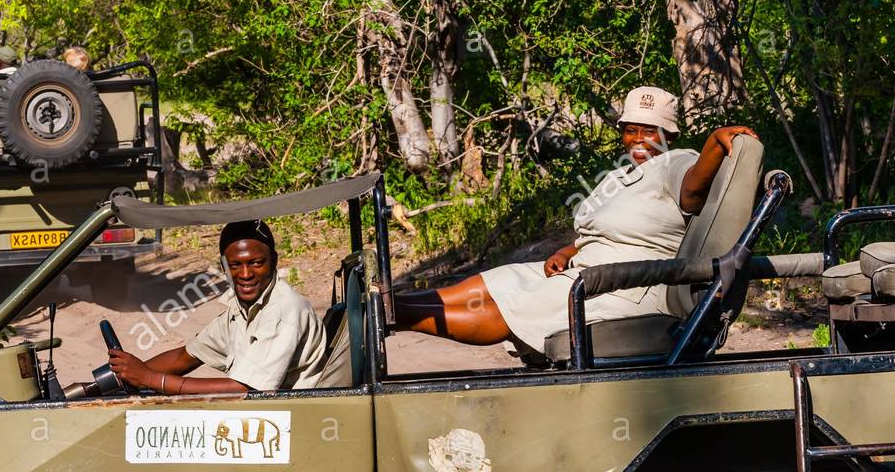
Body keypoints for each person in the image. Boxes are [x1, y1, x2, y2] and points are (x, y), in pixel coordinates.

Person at [394, 86, 757, 354]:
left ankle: (392, 317)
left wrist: (715, 142)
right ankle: (395, 303)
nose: (639, 139)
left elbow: (692, 191)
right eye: (631, 129)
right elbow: (605, 228)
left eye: (650, 131)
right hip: (583, 266)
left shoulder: (677, 163)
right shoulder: (623, 175)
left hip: (626, 286)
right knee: (501, 280)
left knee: (510, 306)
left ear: (670, 134)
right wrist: (569, 249)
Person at [108, 221, 327, 394]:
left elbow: (242, 390)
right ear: (223, 266)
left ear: (274, 261)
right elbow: (185, 357)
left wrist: (151, 380)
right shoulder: (241, 310)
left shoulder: (284, 311)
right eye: (235, 265)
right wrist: (123, 376)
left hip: (292, 425)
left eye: (256, 263)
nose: (245, 274)